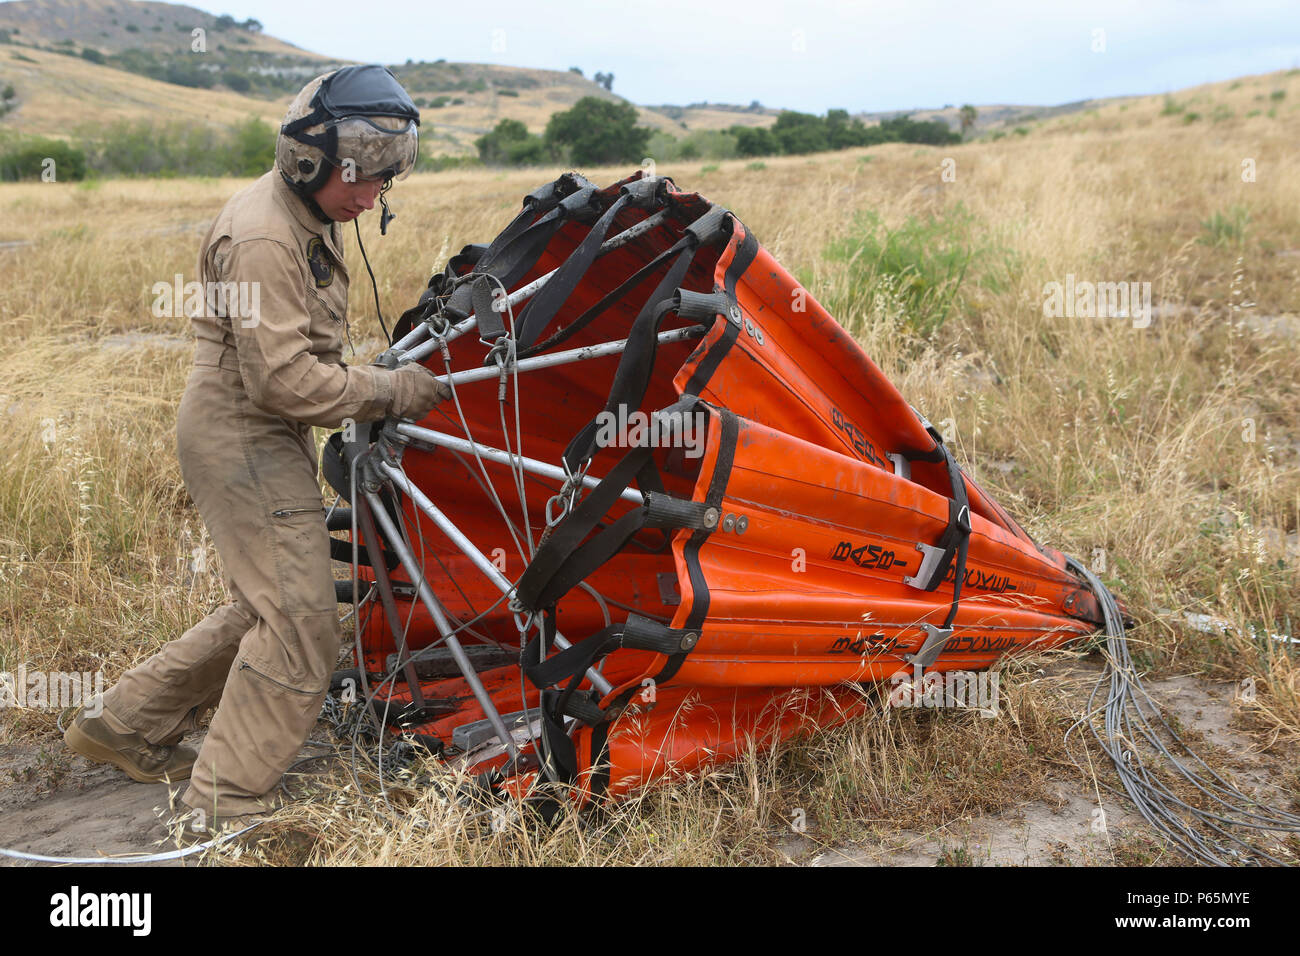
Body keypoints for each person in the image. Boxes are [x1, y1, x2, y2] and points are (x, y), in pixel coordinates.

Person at [64, 65, 446, 832]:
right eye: (362, 180)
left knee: (265, 605)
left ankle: (124, 724)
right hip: (244, 431)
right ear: (310, 161)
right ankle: (223, 809)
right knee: (303, 624)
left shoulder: (305, 214)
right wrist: (390, 390)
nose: (371, 198)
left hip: (256, 429)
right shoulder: (268, 236)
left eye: (383, 183)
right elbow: (285, 384)